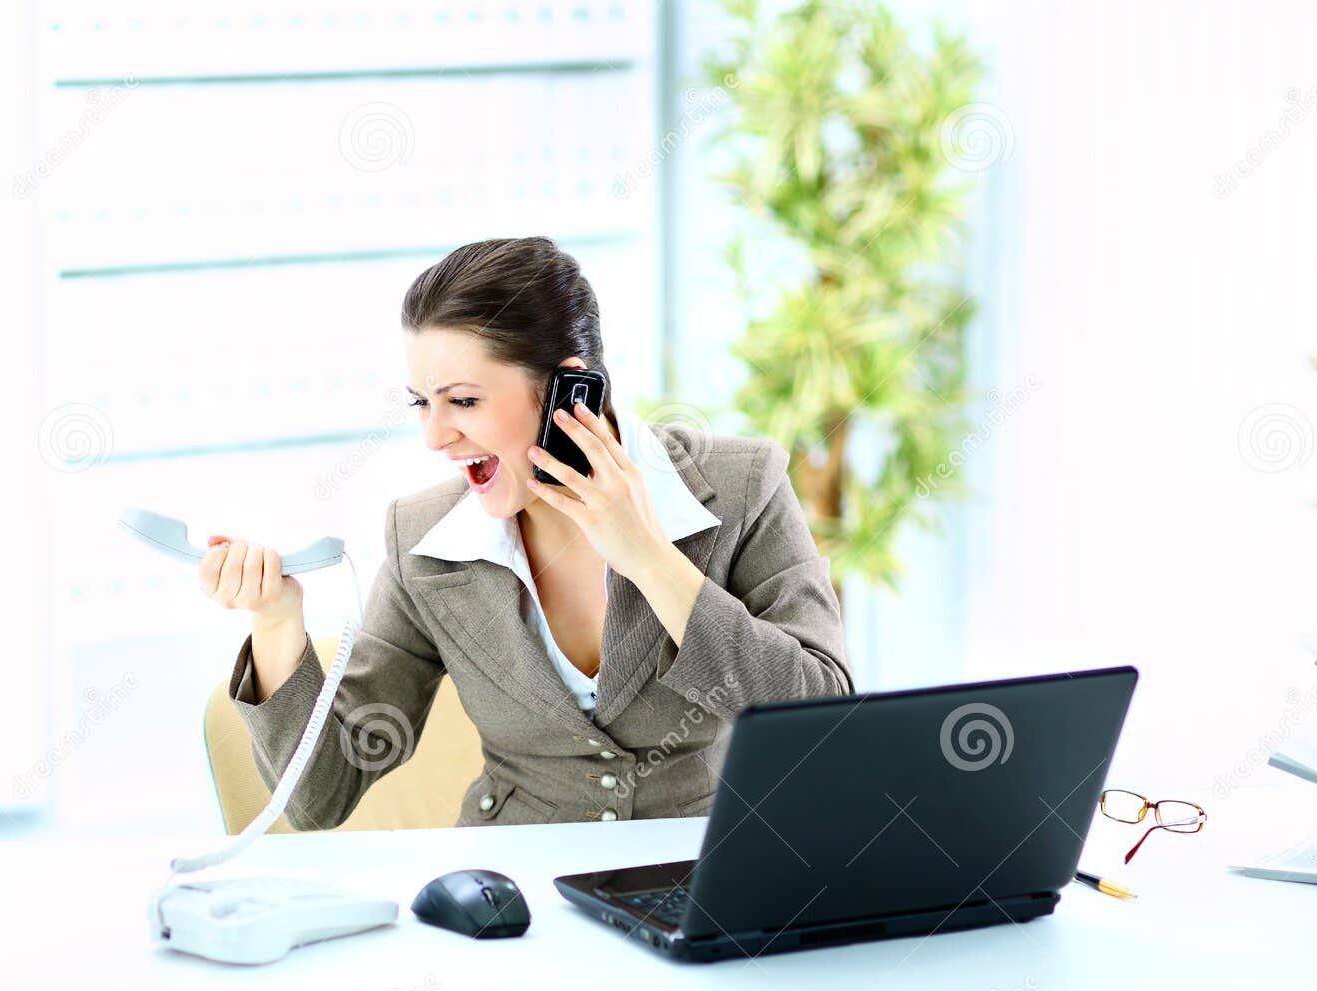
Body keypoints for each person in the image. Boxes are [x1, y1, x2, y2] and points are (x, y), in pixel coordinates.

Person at [200, 236, 851, 829]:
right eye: (421, 403)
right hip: (515, 908)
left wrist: (651, 560)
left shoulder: (740, 488)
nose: (434, 435)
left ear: (573, 391)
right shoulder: (426, 541)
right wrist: (277, 620)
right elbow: (323, 794)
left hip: (701, 881)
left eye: (464, 400)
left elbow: (820, 724)